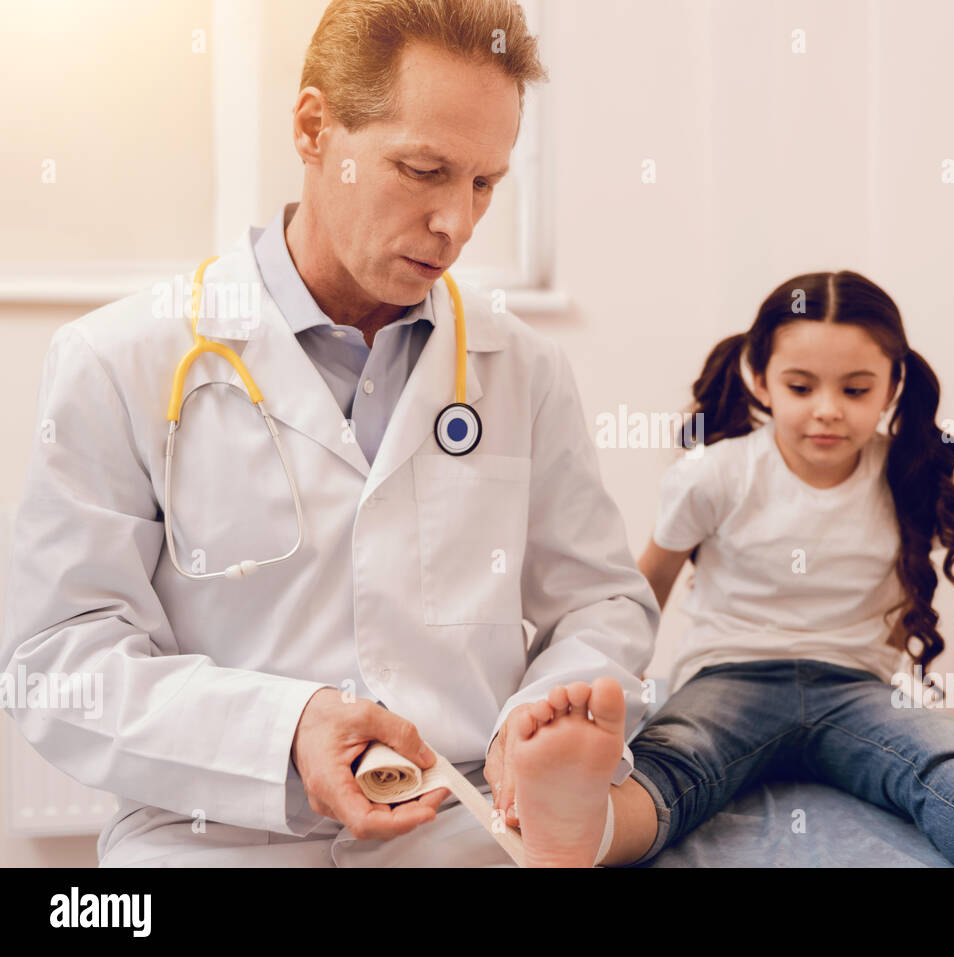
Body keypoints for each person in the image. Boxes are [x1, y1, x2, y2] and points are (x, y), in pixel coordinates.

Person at [0, 0, 658, 867]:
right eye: (423, 169)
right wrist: (286, 728)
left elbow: (600, 602)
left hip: (461, 825)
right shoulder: (117, 358)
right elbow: (57, 657)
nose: (456, 223)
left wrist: (535, 717)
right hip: (216, 835)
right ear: (315, 128)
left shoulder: (522, 369)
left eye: (484, 183)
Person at [500, 270, 954, 868]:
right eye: (802, 386)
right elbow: (648, 582)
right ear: (760, 380)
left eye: (855, 389)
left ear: (892, 387)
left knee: (944, 759)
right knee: (679, 756)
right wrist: (626, 687)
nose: (828, 409)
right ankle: (586, 828)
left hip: (853, 688)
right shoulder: (717, 474)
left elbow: (897, 599)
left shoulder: (906, 472)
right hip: (732, 673)